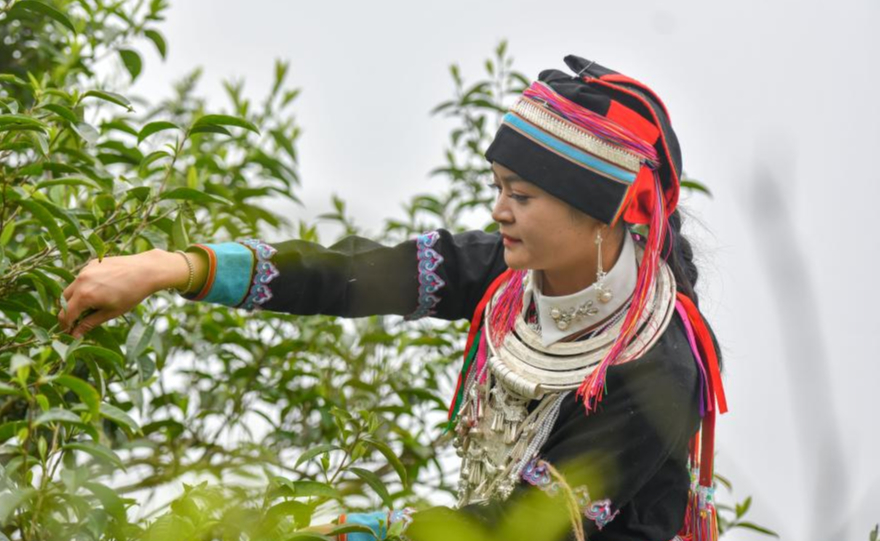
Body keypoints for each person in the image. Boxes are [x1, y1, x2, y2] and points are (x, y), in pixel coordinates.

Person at [57, 55, 727, 541]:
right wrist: (173, 267)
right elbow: (350, 273)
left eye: (520, 195)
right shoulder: (503, 277)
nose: (497, 211)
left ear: (604, 214)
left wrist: (377, 528)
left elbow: (524, 527)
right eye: (496, 186)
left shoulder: (655, 367)